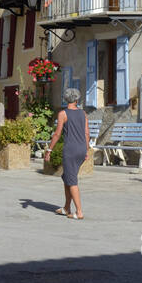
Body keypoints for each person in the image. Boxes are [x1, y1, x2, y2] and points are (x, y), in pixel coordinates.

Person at [44, 88, 91, 219]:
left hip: (70, 150)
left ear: (65, 99)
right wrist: (86, 150)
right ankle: (66, 208)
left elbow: (57, 134)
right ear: (77, 99)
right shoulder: (83, 113)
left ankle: (79, 212)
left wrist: (49, 150)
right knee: (67, 177)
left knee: (72, 181)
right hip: (81, 149)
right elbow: (87, 134)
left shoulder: (63, 114)